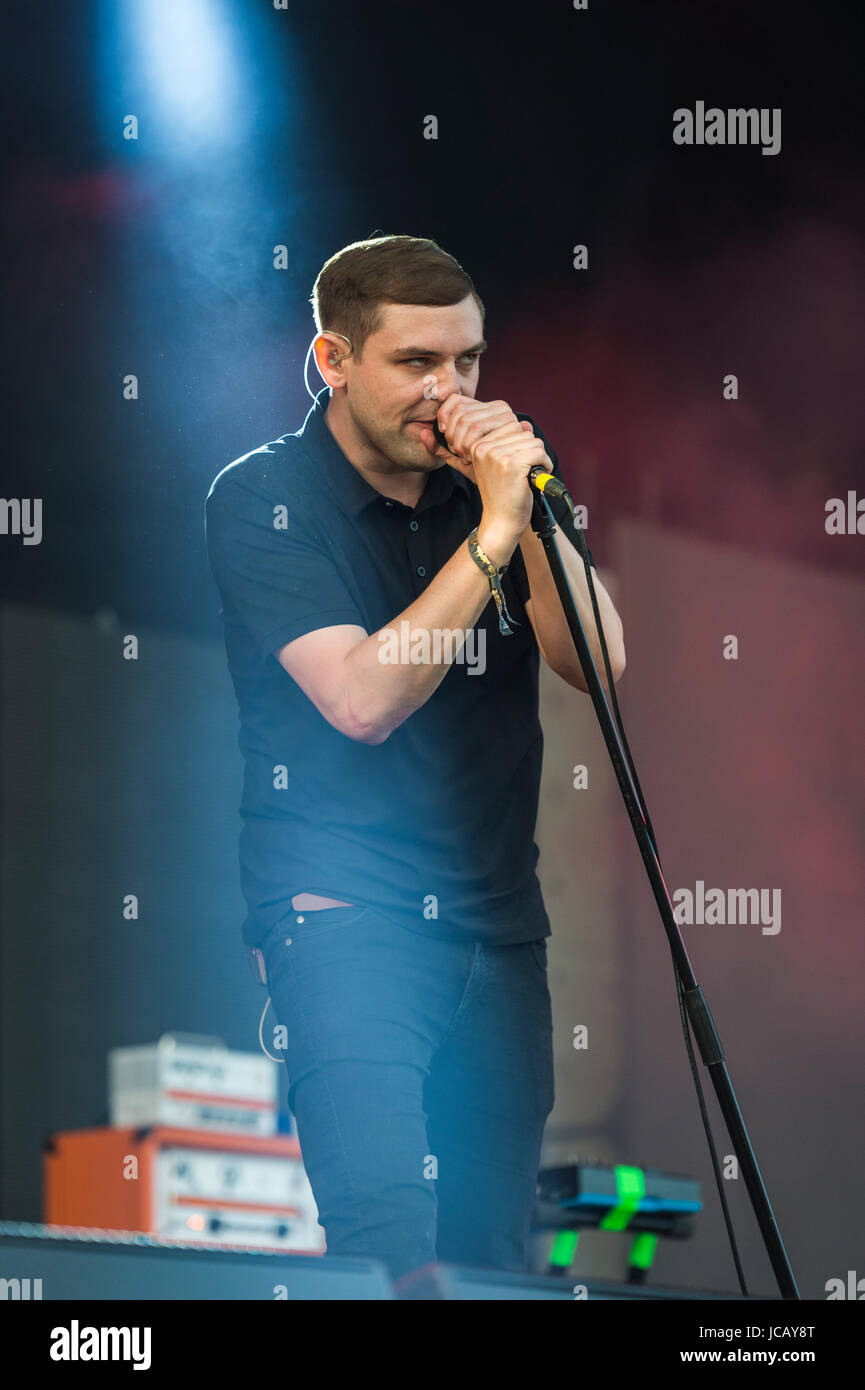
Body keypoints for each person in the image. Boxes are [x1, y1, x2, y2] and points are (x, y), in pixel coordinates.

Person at [204, 234, 625, 1282]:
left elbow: (600, 663)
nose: (449, 390)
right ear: (333, 359)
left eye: (469, 361)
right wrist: (492, 535)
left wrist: (522, 508)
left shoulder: (496, 483)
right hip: (343, 921)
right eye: (416, 363)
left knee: (487, 1259)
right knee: (388, 1246)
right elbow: (361, 699)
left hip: (499, 929)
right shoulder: (263, 498)